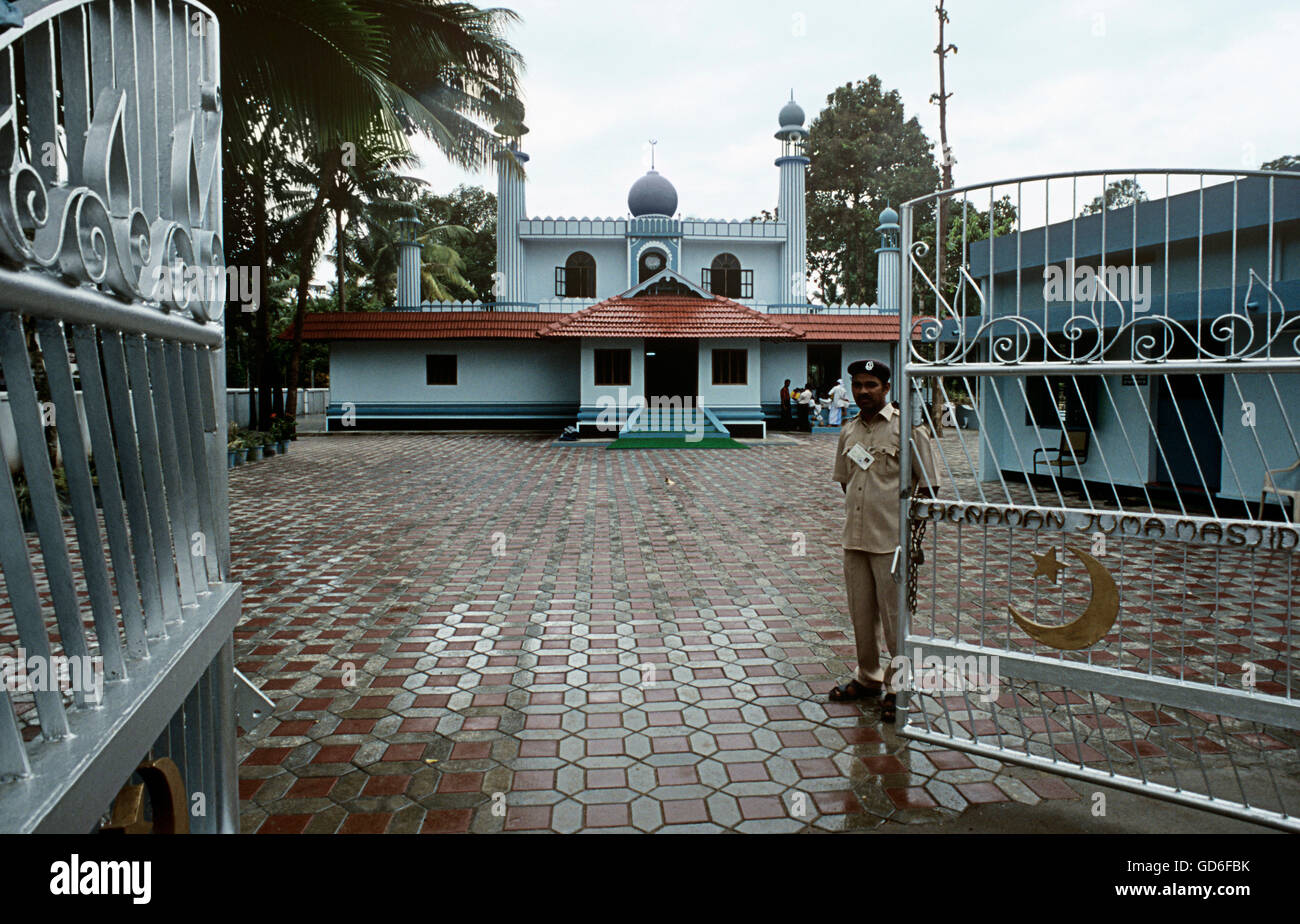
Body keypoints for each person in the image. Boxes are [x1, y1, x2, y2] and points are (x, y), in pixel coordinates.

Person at [829, 359, 939, 723]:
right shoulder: (849, 431)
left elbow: (930, 485)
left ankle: (898, 686)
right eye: (857, 385)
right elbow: (845, 480)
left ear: (886, 388)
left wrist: (907, 532)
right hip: (855, 539)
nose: (863, 391)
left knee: (895, 621)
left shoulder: (907, 430)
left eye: (871, 385)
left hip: (892, 542)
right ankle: (868, 676)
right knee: (861, 615)